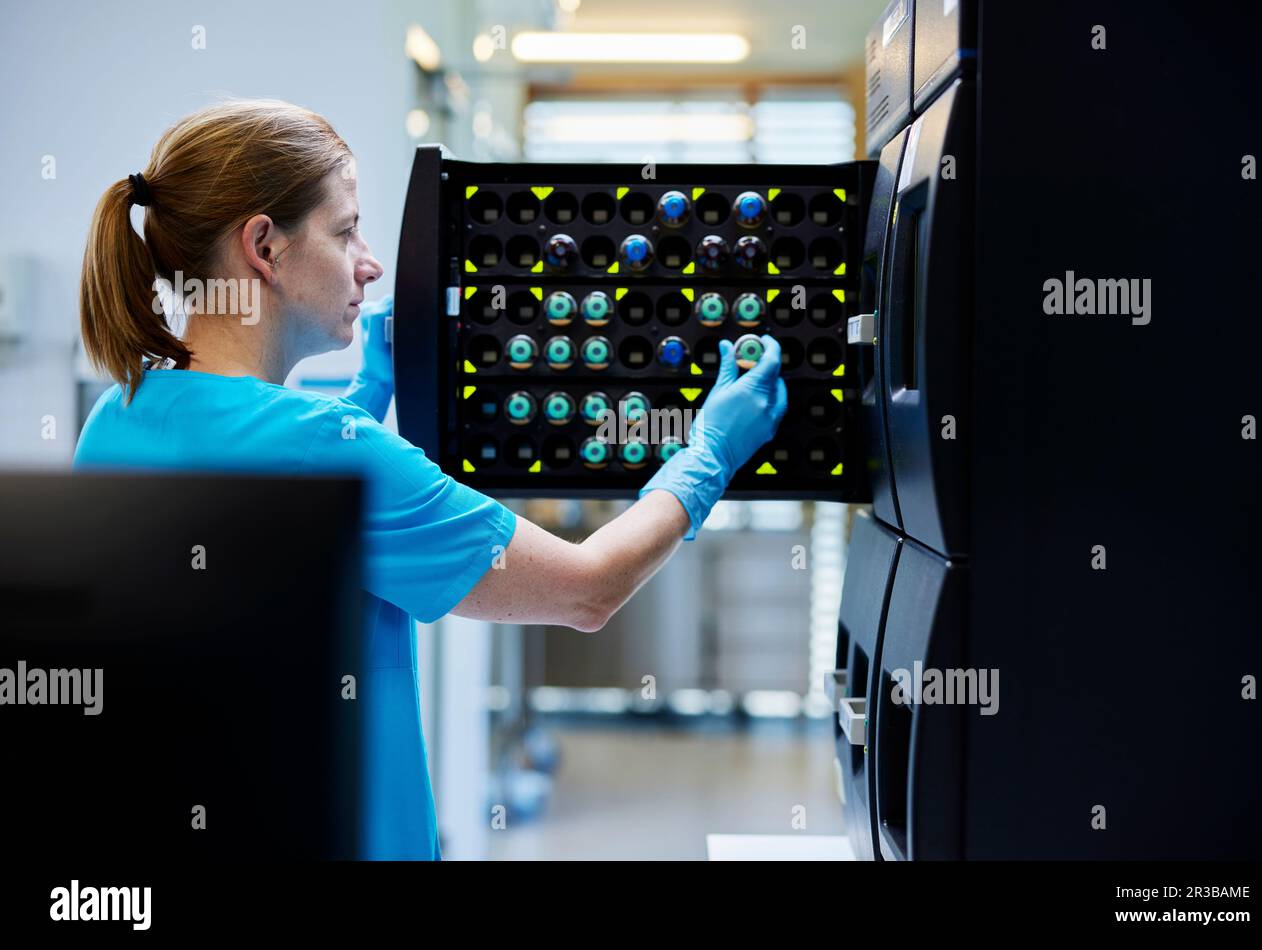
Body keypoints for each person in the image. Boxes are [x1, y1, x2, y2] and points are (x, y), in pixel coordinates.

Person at [73, 99, 787, 860]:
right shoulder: (324, 448)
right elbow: (587, 589)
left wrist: (366, 396)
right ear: (263, 246)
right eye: (345, 231)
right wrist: (709, 452)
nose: (370, 262)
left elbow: (269, 496)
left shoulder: (116, 420)